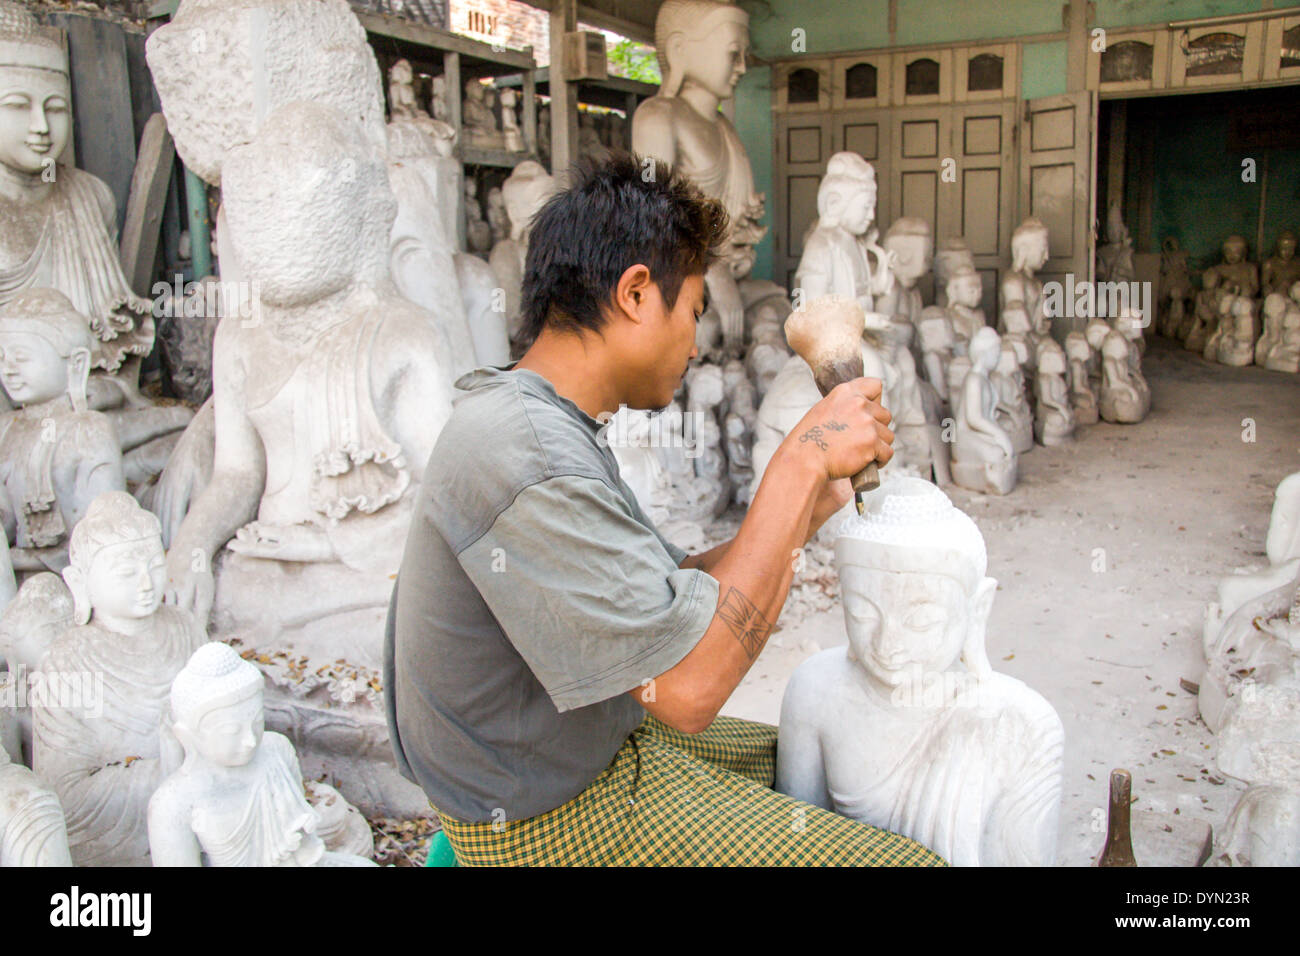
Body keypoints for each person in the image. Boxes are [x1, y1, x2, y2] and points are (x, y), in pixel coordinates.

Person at [385, 154, 943, 866]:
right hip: (540, 812)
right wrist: (798, 460)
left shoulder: (547, 422)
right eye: (694, 311)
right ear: (637, 294)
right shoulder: (527, 452)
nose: (696, 340)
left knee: (812, 760)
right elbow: (686, 689)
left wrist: (809, 504)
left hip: (580, 741)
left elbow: (672, 588)